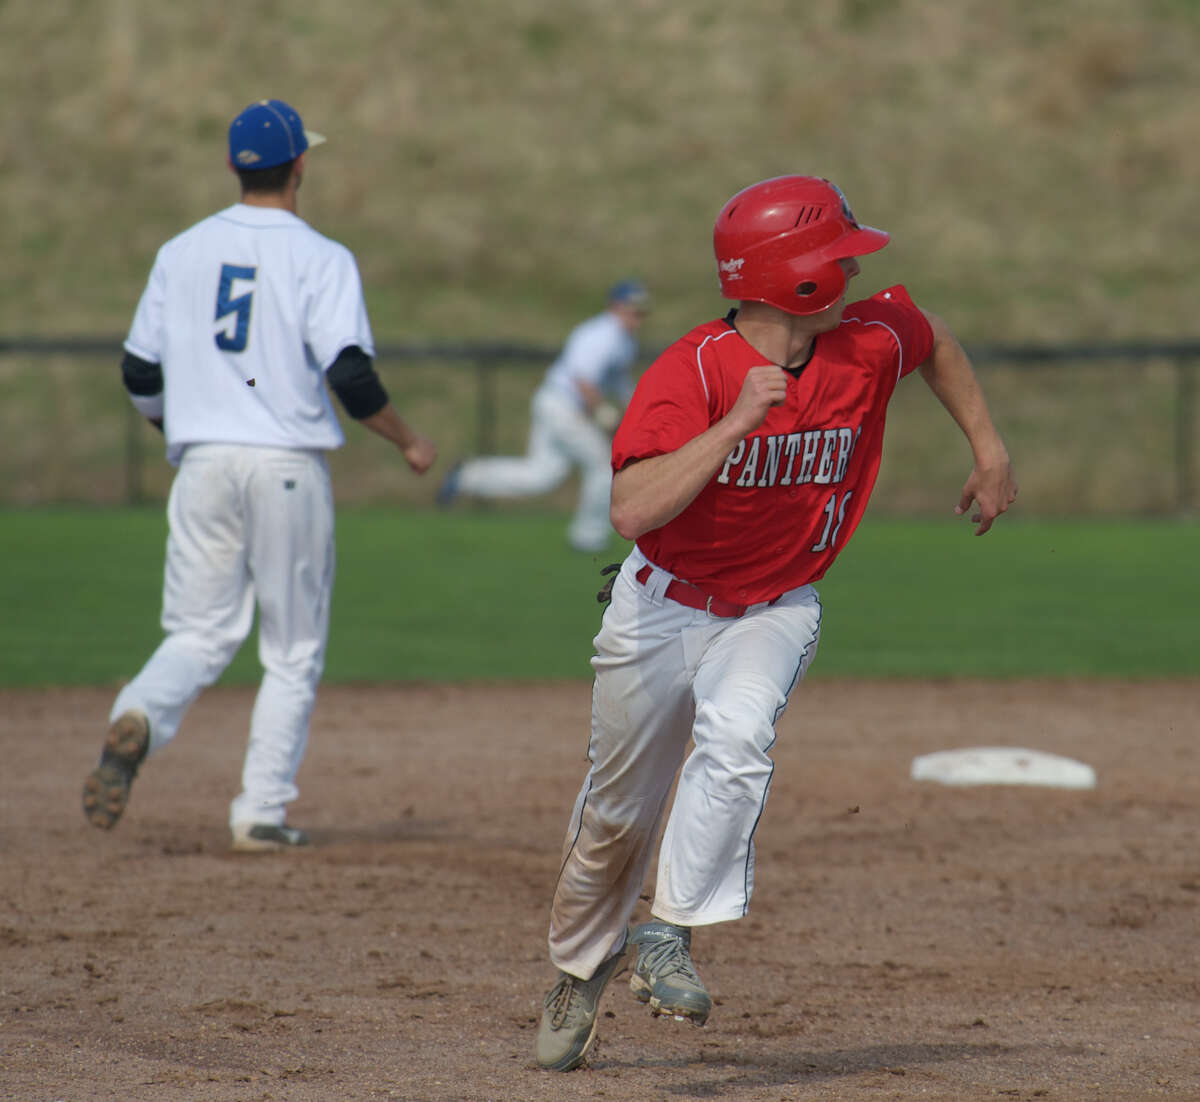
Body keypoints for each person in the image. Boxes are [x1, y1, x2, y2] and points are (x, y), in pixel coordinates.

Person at [535, 175, 1018, 1070]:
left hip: (775, 606)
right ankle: (579, 967)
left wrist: (987, 450)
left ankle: (670, 932)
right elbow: (633, 509)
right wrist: (733, 426)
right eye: (837, 253)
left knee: (739, 737)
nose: (851, 266)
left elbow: (936, 339)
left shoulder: (867, 340)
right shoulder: (692, 371)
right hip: (659, 609)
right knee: (613, 815)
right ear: (794, 276)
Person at [81, 99, 437, 852]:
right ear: (300, 164)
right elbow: (350, 373)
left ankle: (139, 711)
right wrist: (406, 440)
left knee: (198, 630)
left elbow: (139, 368)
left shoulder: (181, 251)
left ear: (233, 167)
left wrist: (179, 427)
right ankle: (259, 812)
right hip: (284, 466)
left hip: (203, 462)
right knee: (293, 648)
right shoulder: (321, 257)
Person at [436, 279, 650, 553]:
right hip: (562, 405)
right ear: (614, 306)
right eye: (631, 309)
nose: (637, 316)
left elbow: (620, 386)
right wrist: (602, 413)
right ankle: (588, 538)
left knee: (541, 476)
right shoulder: (602, 333)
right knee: (602, 466)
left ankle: (468, 475)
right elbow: (582, 380)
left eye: (641, 311)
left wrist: (639, 411)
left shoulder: (623, 341)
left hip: (557, 404)